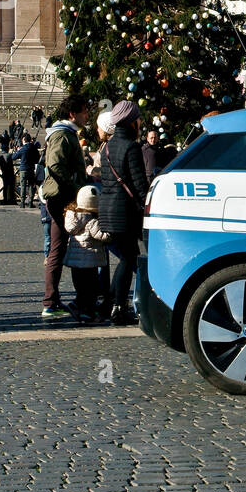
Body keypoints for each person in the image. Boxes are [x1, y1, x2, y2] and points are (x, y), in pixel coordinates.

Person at [41, 95, 91, 319]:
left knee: (58, 248)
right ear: (73, 114)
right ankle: (54, 301)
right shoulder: (62, 134)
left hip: (61, 196)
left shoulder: (65, 133)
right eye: (84, 111)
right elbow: (55, 165)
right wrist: (74, 186)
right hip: (63, 198)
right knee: (64, 248)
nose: (87, 115)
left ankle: (52, 300)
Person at [99, 100, 149, 325]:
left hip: (107, 210)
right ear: (132, 122)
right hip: (125, 213)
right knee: (129, 259)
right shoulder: (131, 147)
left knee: (126, 258)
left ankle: (109, 303)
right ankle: (118, 307)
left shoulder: (108, 146)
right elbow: (138, 184)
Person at [65, 184, 112, 324]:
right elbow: (103, 236)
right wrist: (111, 233)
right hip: (90, 261)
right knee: (91, 289)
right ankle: (87, 314)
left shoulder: (72, 216)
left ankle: (77, 306)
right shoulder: (92, 221)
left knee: (81, 289)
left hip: (76, 263)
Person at [14, 135, 41, 208]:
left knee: (23, 186)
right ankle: (30, 202)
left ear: (24, 140)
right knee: (31, 186)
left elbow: (14, 157)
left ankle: (22, 202)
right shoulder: (34, 148)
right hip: (31, 169)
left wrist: (17, 150)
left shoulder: (23, 149)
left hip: (23, 169)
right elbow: (38, 158)